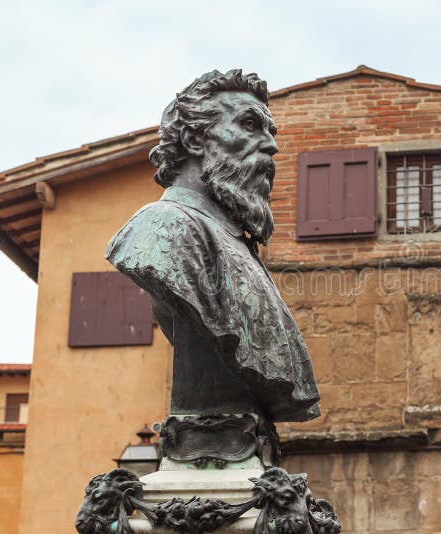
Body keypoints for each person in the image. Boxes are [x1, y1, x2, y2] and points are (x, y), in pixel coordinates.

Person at [106, 69, 320, 423]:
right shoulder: (164, 230)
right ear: (193, 139)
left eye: (270, 131)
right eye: (250, 126)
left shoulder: (239, 247)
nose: (271, 145)